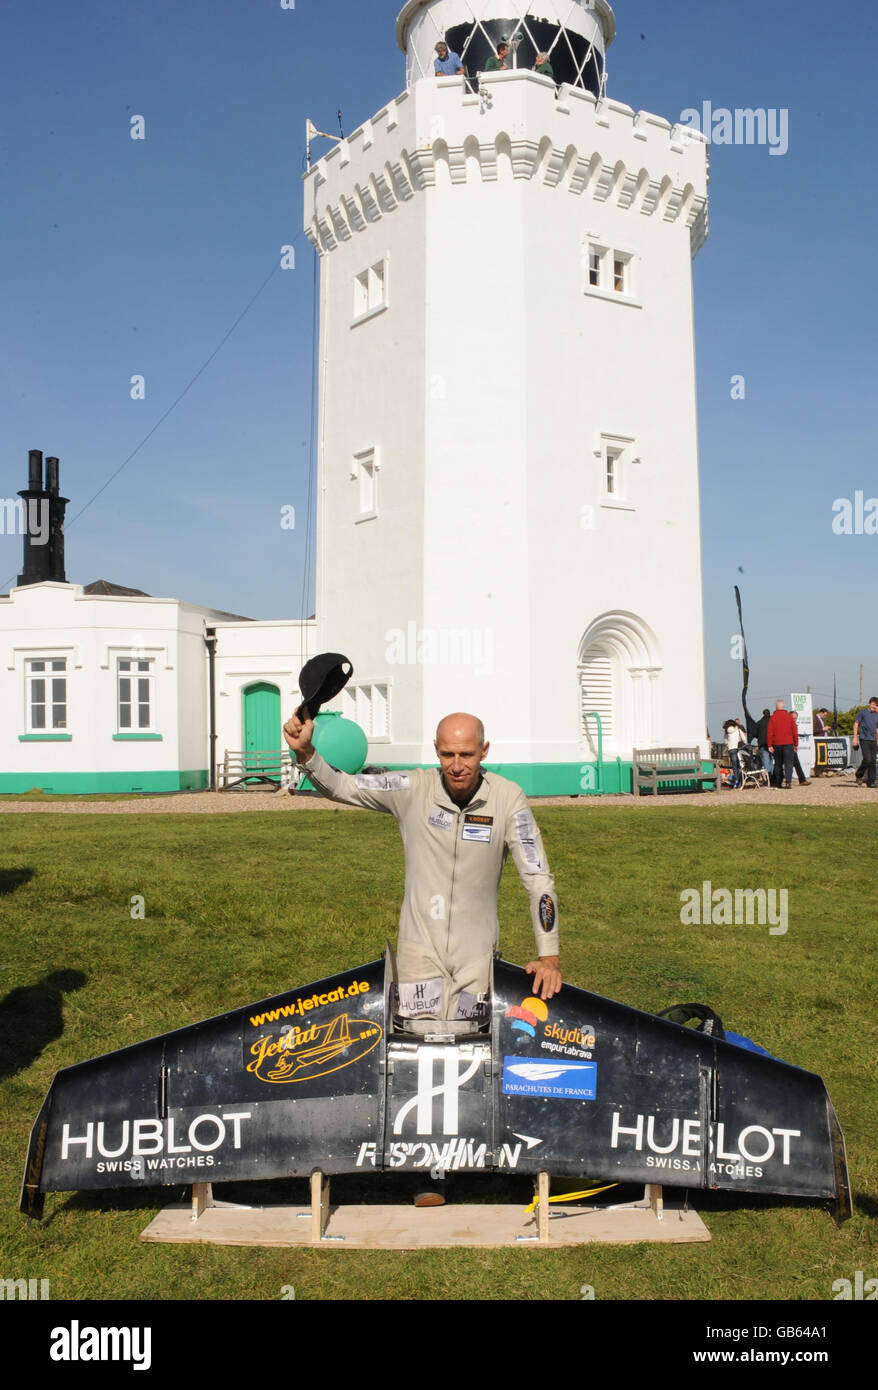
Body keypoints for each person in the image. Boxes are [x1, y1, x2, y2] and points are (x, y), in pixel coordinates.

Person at [282, 709, 562, 1027]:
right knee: (416, 1053)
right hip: (419, 956)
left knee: (472, 1054)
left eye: (467, 755)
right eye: (447, 754)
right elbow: (344, 786)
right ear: (435, 750)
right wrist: (305, 752)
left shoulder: (508, 798)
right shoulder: (412, 787)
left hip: (477, 961)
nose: (456, 766)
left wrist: (548, 957)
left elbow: (539, 879)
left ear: (484, 750)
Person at [767, 699, 798, 789]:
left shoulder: (772, 718)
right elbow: (794, 732)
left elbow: (769, 732)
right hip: (788, 743)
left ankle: (778, 782)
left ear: (776, 707)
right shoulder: (789, 717)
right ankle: (788, 782)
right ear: (783, 706)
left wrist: (769, 745)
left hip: (777, 744)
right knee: (789, 763)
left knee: (778, 764)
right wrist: (796, 744)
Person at [853, 697, 878, 788]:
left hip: (873, 740)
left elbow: (877, 729)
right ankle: (859, 775)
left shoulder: (876, 715)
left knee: (872, 761)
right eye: (873, 704)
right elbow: (856, 724)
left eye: (876, 705)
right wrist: (855, 738)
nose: (874, 706)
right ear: (869, 703)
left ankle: (871, 782)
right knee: (867, 759)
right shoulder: (862, 713)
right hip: (864, 739)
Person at [723, 717, 747, 789]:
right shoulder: (738, 729)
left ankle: (736, 783)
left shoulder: (726, 731)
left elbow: (725, 741)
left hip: (731, 749)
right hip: (738, 749)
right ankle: (739, 782)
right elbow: (744, 739)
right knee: (741, 766)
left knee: (735, 767)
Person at [754, 707, 773, 777]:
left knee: (766, 760)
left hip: (762, 744)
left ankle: (768, 777)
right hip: (772, 743)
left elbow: (755, 734)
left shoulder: (759, 723)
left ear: (763, 714)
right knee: (771, 759)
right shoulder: (772, 721)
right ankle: (772, 776)